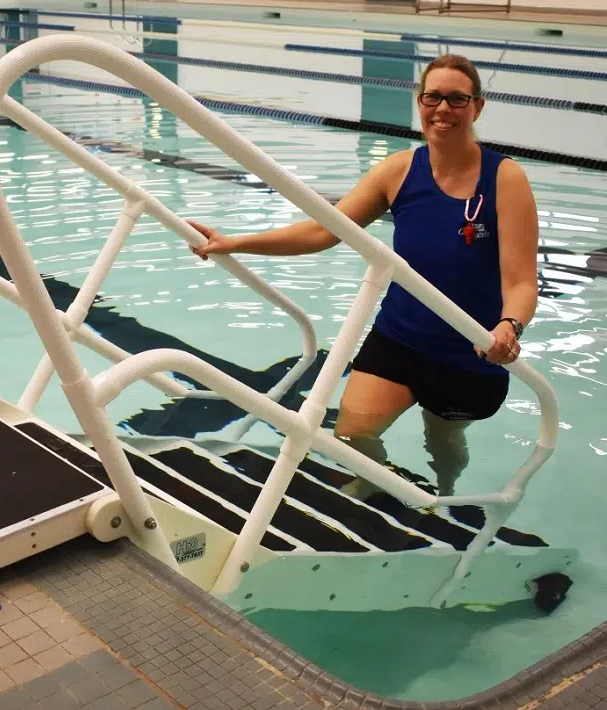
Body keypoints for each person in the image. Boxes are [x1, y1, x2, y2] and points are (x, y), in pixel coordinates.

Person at [188, 54, 539, 497]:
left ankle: (446, 496)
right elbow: (323, 230)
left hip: (469, 352)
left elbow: (522, 281)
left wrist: (510, 326)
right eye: (433, 97)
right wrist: (234, 242)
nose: (443, 109)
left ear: (477, 107)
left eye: (456, 99)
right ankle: (365, 499)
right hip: (400, 337)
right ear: (420, 101)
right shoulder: (399, 171)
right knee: (351, 439)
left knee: (443, 438)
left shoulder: (505, 179)